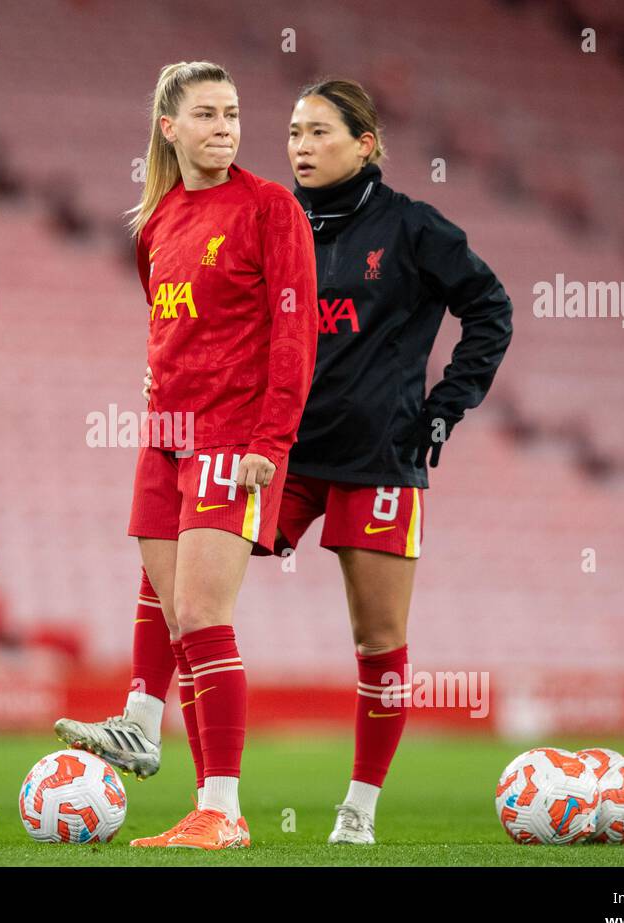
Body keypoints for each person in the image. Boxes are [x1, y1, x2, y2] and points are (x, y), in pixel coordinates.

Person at [58, 78, 512, 847]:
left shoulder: (412, 229)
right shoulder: (265, 215)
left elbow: (490, 309)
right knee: (183, 592)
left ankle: (358, 809)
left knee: (376, 640)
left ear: (365, 145)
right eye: (294, 133)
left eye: (319, 133)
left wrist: (443, 410)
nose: (298, 146)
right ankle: (190, 772)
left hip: (376, 455)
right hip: (283, 449)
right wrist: (173, 368)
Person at [58, 61, 319, 850]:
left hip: (230, 439)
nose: (225, 128)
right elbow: (170, 327)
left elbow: (294, 335)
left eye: (233, 113)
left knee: (205, 618)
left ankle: (224, 807)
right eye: (206, 114)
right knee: (176, 620)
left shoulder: (271, 208)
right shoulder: (157, 221)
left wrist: (269, 443)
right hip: (163, 438)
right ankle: (156, 742)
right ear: (169, 129)